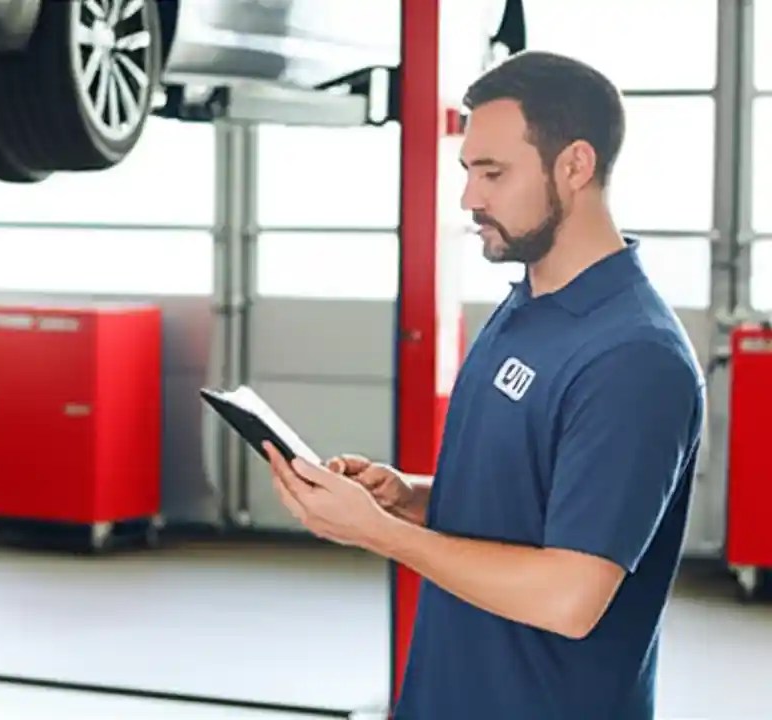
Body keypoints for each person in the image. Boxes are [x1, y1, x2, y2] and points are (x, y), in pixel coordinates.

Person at [265, 50, 705, 720]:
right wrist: (404, 497)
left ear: (575, 165)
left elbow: (570, 596)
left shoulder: (635, 359)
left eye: (492, 173)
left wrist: (380, 536)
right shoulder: (526, 304)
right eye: (468, 170)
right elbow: (538, 501)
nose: (470, 197)